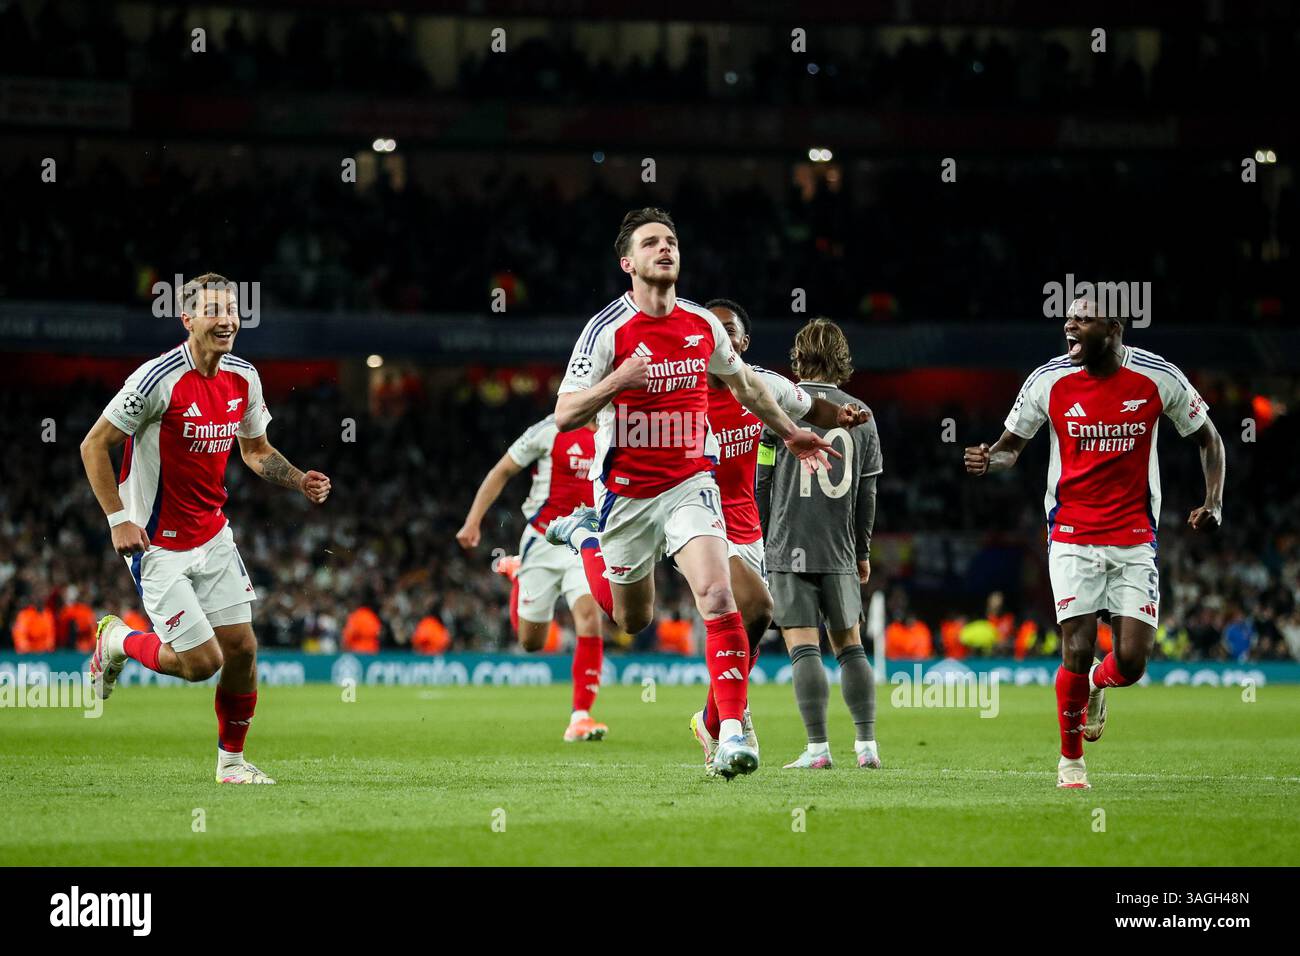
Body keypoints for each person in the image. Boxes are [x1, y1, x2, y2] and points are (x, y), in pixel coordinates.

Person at [544, 207, 835, 779]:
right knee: (632, 619)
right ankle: (584, 536)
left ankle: (728, 732)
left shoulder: (702, 325)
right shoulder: (607, 331)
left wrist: (792, 432)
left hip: (688, 485)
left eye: (671, 240)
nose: (664, 249)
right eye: (651, 243)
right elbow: (563, 414)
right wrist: (618, 381)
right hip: (625, 496)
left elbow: (746, 386)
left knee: (719, 598)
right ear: (627, 263)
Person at [964, 295, 1225, 789]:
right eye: (1069, 317)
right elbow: (1010, 449)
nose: (1069, 324)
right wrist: (987, 459)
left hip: (1134, 537)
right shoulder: (1048, 379)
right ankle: (1071, 763)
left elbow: (1210, 438)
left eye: (1082, 318)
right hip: (1071, 534)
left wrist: (1214, 501)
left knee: (1131, 662)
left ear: (1113, 326)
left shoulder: (1157, 376)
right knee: (1076, 648)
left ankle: (1100, 685)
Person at [81, 273, 331, 785]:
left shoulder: (244, 377)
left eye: (232, 310)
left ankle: (232, 764)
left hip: (214, 536)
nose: (227, 320)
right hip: (158, 544)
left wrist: (298, 479)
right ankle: (118, 641)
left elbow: (256, 451)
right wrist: (118, 520)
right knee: (201, 663)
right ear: (188, 319)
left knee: (242, 649)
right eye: (214, 311)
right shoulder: (156, 380)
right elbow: (93, 445)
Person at [688, 298, 869, 774]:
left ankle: (714, 717)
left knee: (750, 623)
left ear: (742, 344)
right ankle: (730, 723)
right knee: (757, 607)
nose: (720, 338)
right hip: (696, 518)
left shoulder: (760, 387)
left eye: (730, 331)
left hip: (749, 530)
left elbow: (807, 406)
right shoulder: (683, 394)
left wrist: (842, 417)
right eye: (712, 330)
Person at [758, 317, 884, 770]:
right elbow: (867, 493)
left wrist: (765, 539)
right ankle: (866, 746)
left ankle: (817, 750)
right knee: (850, 646)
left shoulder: (782, 406)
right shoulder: (862, 415)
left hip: (788, 544)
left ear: (798, 358)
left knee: (804, 648)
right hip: (840, 549)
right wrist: (863, 550)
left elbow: (763, 478)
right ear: (842, 359)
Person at [455, 415, 610, 742]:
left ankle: (581, 716)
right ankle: (518, 573)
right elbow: (502, 471)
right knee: (531, 642)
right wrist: (473, 521)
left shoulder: (622, 427)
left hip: (586, 542)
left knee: (589, 616)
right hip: (543, 540)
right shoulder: (550, 429)